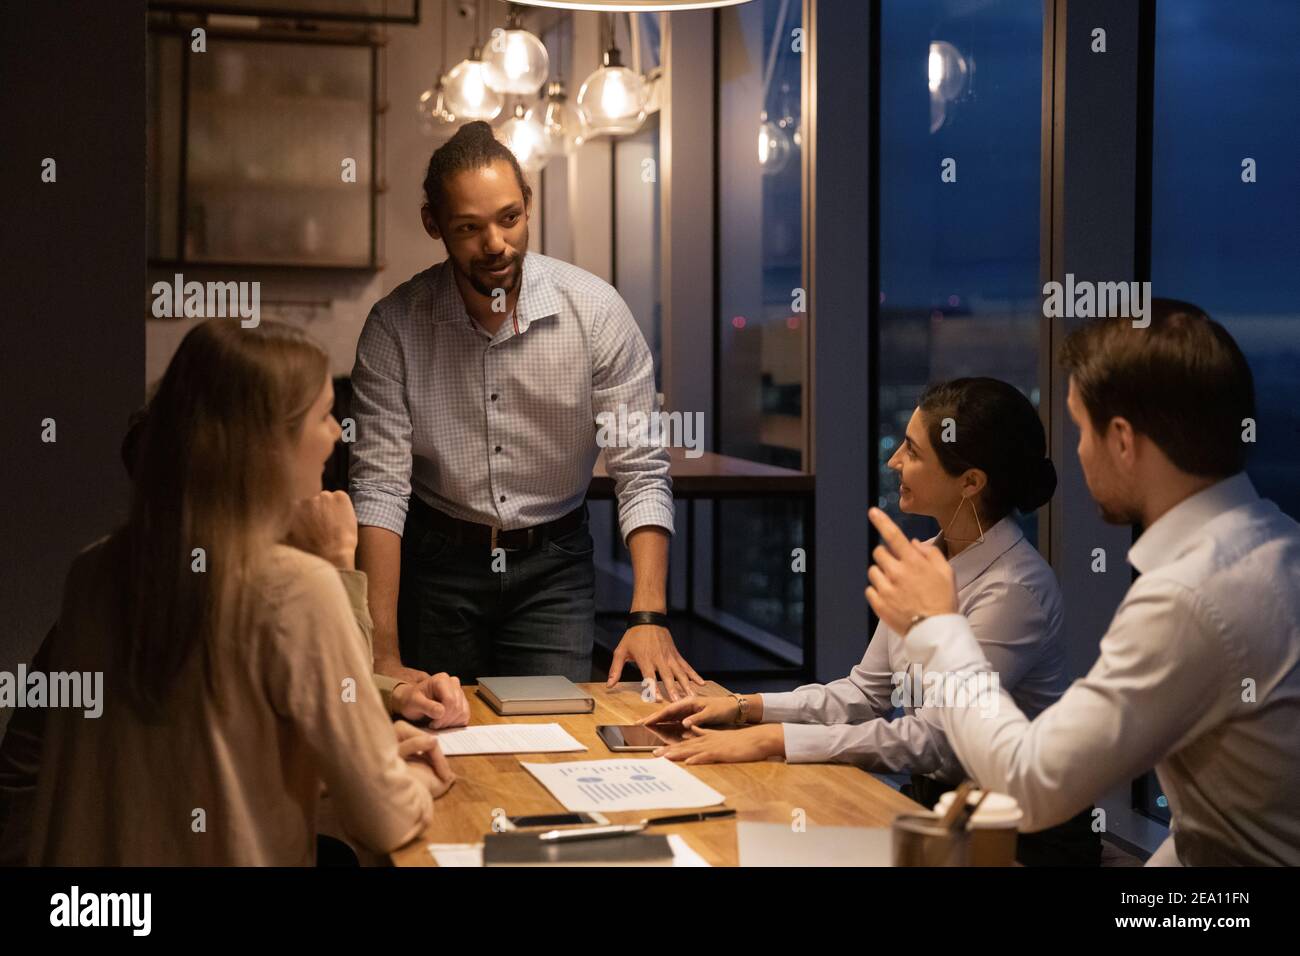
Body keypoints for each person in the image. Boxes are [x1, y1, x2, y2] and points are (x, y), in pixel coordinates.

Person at [866, 300, 1300, 866]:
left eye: (1080, 430)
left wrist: (941, 629)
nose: (1078, 452)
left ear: (1121, 440)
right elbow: (1214, 827)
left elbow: (1031, 782)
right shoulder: (1274, 544)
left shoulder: (1188, 598)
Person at [17, 319, 456, 865]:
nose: (338, 434)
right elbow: (381, 819)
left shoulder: (92, 573)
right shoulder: (297, 589)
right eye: (323, 415)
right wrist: (409, 778)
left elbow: (201, 765)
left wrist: (366, 750)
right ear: (269, 445)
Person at [644, 377, 1098, 864]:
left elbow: (938, 740)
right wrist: (742, 708)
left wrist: (776, 740)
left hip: (1019, 835)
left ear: (971, 482)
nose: (893, 462)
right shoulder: (926, 559)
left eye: (913, 451)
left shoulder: (1013, 590)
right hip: (940, 808)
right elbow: (865, 694)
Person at [350, 120, 703, 698]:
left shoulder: (597, 313)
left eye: (509, 218)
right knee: (437, 731)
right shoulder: (396, 326)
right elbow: (381, 490)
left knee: (553, 730)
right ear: (432, 224)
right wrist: (381, 651)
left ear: (529, 205)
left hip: (554, 566)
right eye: (469, 227)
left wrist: (648, 616)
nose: (496, 244)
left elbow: (640, 471)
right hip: (437, 562)